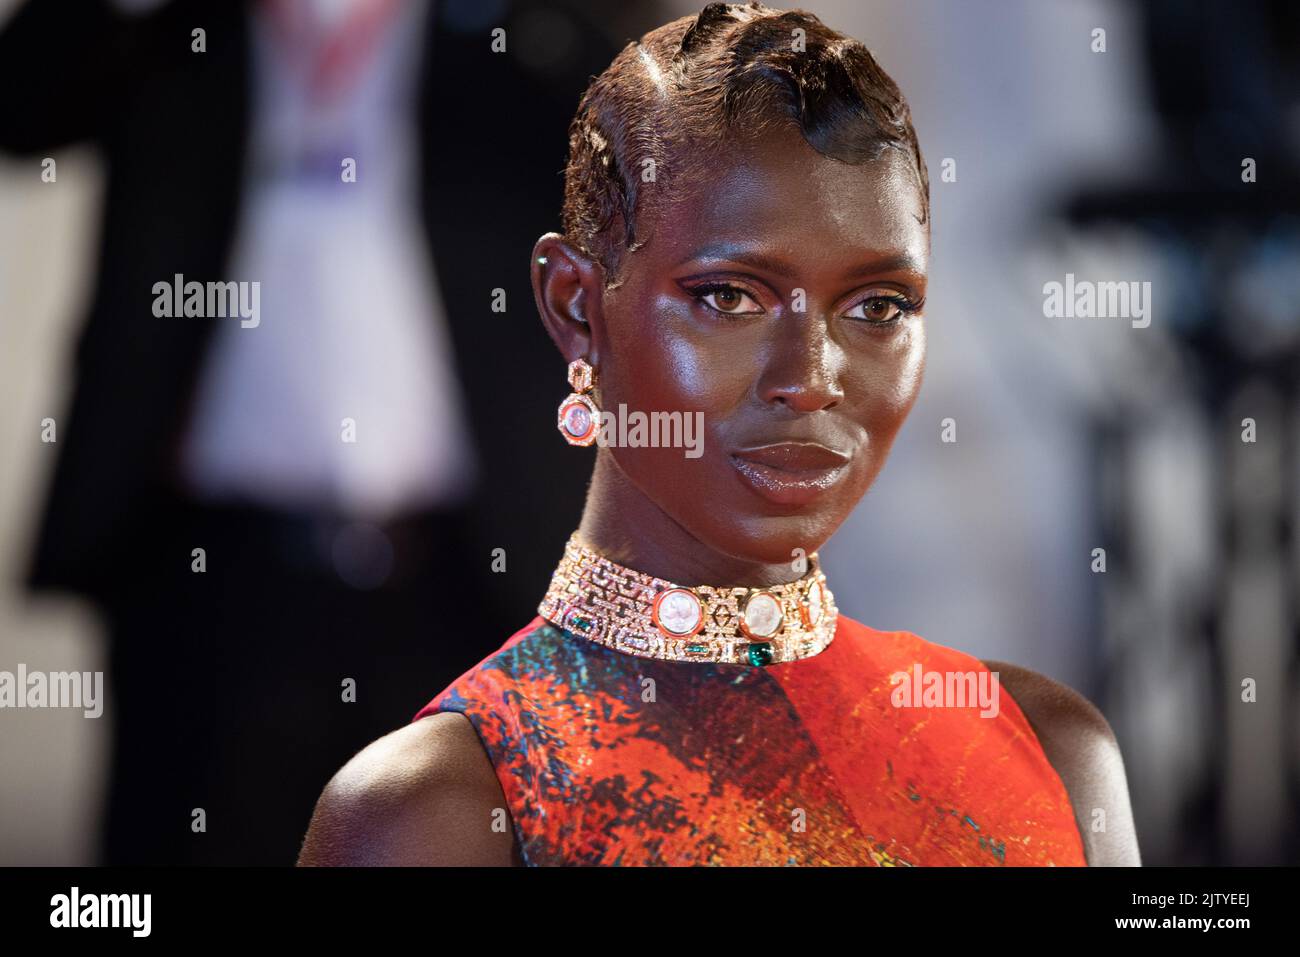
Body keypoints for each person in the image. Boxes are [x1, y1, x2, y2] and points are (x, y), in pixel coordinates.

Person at [297, 1, 1141, 867]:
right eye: (730, 296)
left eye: (878, 307)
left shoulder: (1050, 750)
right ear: (575, 309)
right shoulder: (438, 811)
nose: (811, 377)